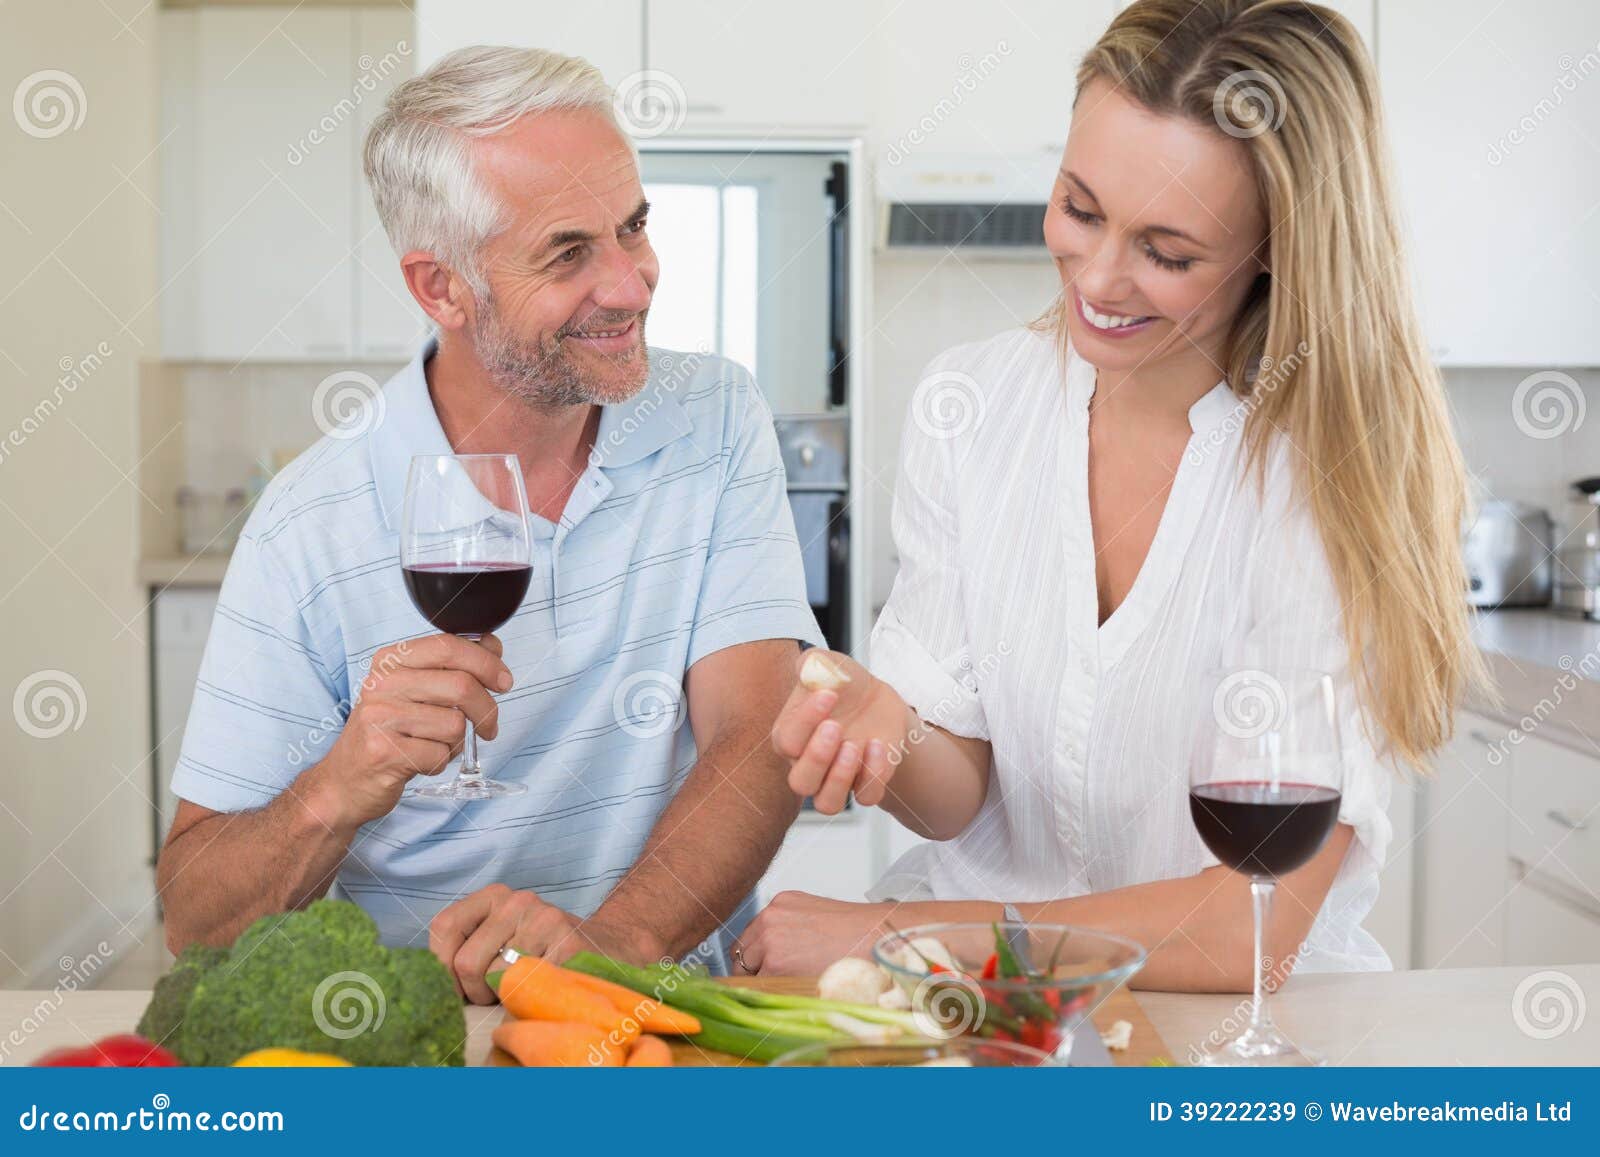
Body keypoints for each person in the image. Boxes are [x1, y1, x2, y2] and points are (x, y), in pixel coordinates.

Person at [742, 0, 1483, 990]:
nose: (1096, 275)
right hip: (983, 1022)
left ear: (1274, 246)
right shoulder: (973, 401)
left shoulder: (1323, 476)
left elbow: (1242, 926)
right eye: (1080, 207)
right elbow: (955, 794)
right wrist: (886, 723)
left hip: (1228, 1035)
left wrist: (906, 932)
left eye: (1166, 252)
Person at [155, 46, 822, 1003]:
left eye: (632, 229)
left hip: (667, 1012)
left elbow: (758, 734)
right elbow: (194, 917)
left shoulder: (712, 417)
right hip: (425, 1032)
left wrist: (608, 952)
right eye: (567, 252)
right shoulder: (309, 522)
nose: (632, 284)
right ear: (441, 288)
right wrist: (336, 788)